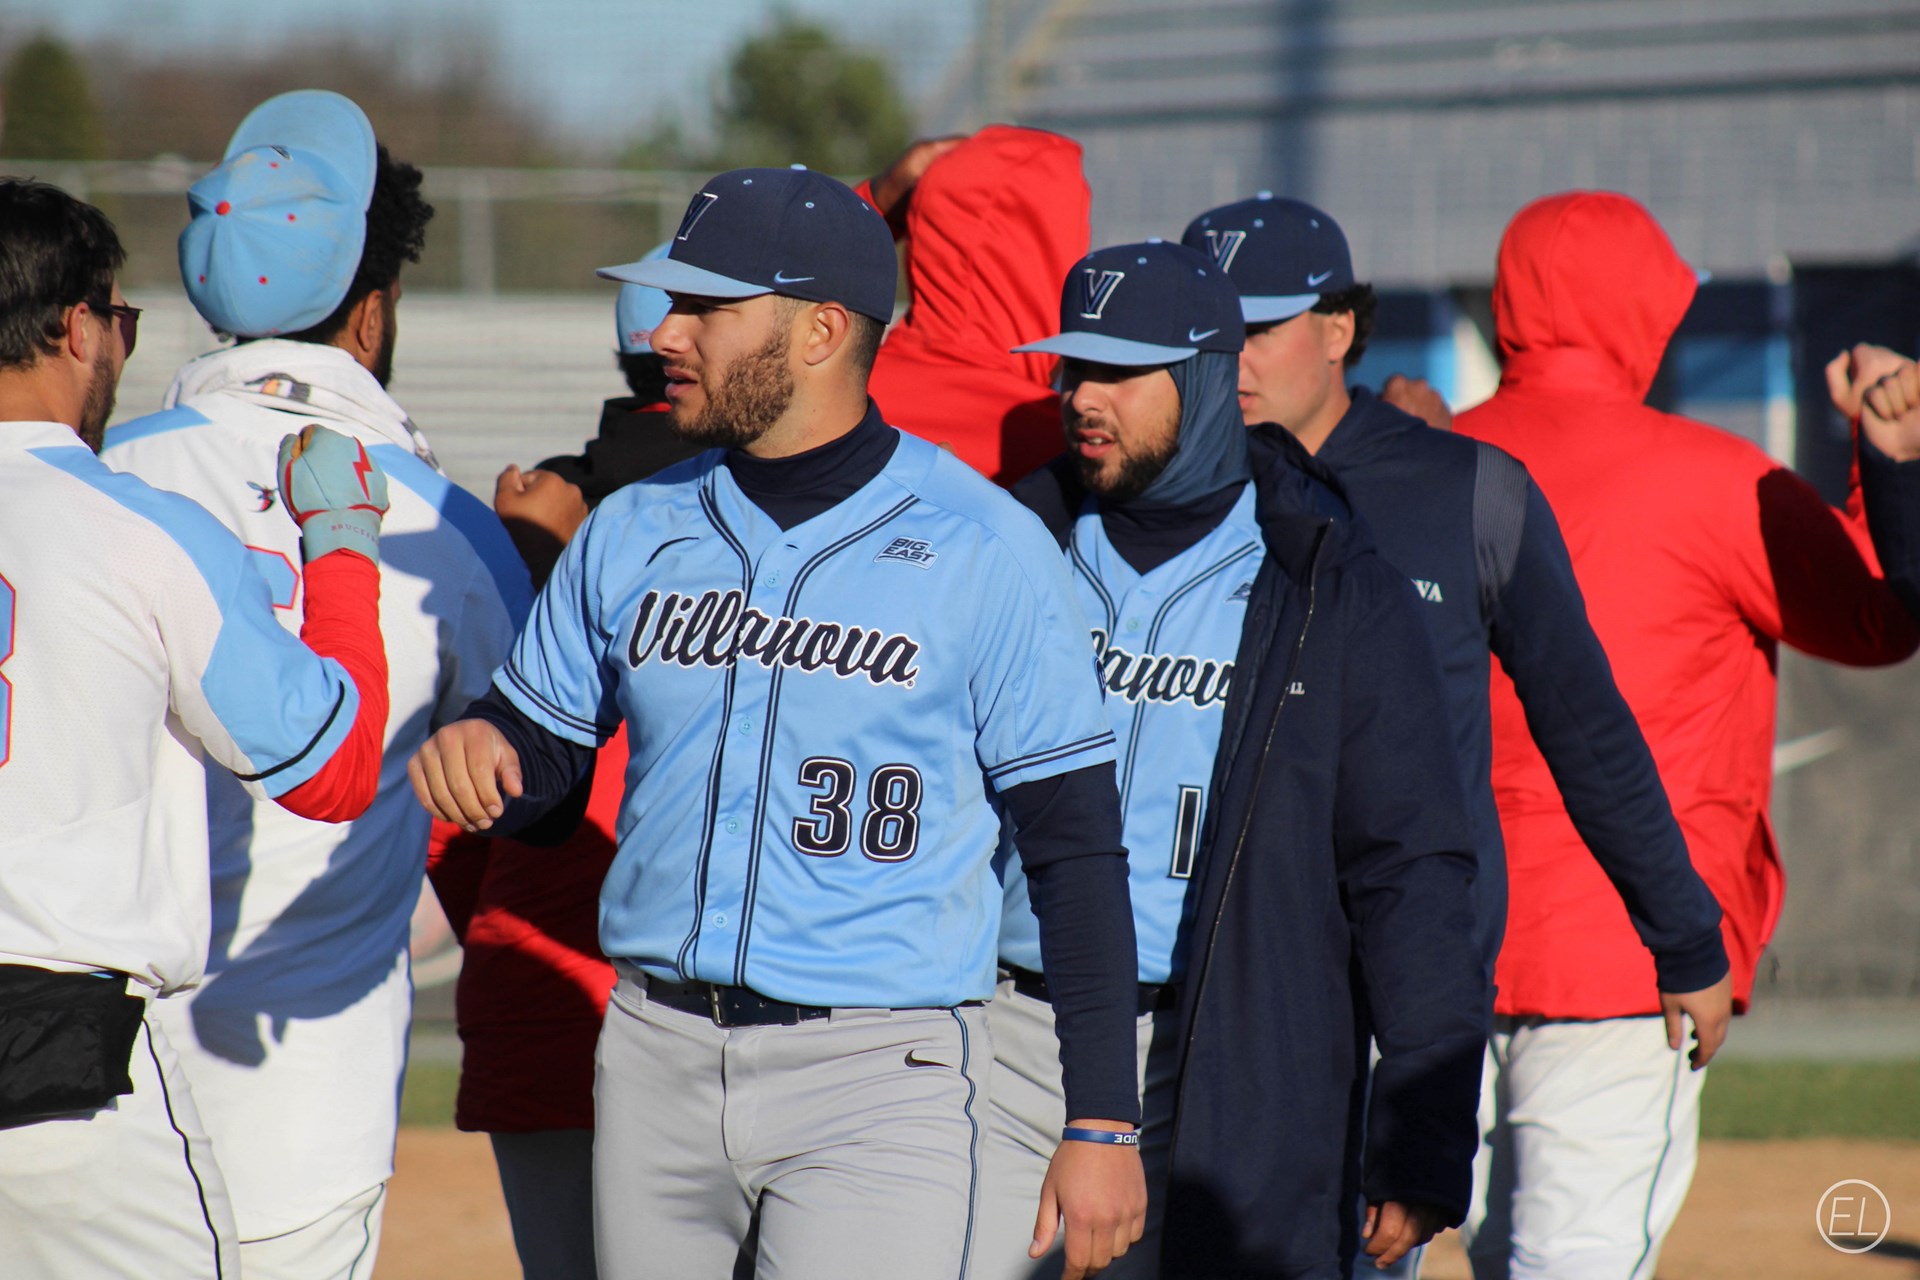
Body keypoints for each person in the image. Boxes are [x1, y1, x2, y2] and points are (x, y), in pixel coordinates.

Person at [409, 166, 1148, 1280]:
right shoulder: (635, 527)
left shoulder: (984, 544)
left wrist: (1101, 1119)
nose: (666, 331)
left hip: (880, 1065)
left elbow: (1077, 853)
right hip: (655, 1048)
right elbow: (546, 760)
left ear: (820, 330)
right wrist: (490, 745)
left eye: (707, 306)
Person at [1181, 194, 1735, 1271]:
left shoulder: (1463, 487)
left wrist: (1684, 933)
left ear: (1339, 328)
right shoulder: (1158, 495)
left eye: (1259, 326)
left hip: (1402, 993)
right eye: (1208, 329)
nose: (1229, 357)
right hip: (1212, 982)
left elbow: (1588, 724)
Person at [989, 239, 1488, 1278]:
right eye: (1074, 367)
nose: (1084, 396)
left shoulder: (1331, 584)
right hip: (1003, 1038)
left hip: (1222, 1049)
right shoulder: (1005, 546)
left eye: (1122, 370)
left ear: (1209, 377)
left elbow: (1411, 864)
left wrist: (1427, 1119)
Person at [1451, 190, 1920, 1280]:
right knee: (1575, 1258)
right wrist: (1884, 454)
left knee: (1429, 1244)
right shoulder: (1719, 479)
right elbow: (1878, 619)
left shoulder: (1421, 463)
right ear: (1640, 314)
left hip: (1422, 939)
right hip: (1634, 952)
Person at [103, 90, 531, 1278]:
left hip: (87, 1091)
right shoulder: (447, 520)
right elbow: (523, 785)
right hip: (309, 1098)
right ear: (374, 311)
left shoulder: (97, 479)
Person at [0, 178, 392, 1279]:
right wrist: (343, 545)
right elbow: (334, 766)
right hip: (60, 1057)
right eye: (118, 320)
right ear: (76, 327)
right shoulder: (138, 524)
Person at [423, 275, 697, 1280]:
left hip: (536, 1001)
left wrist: (506, 920)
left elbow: (454, 814)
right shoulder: (775, 525)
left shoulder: (533, 520)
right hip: (722, 1017)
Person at [856, 126, 1093, 483]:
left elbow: (776, 283)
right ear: (1054, 265)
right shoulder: (1070, 441)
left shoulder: (836, 390)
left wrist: (873, 203)